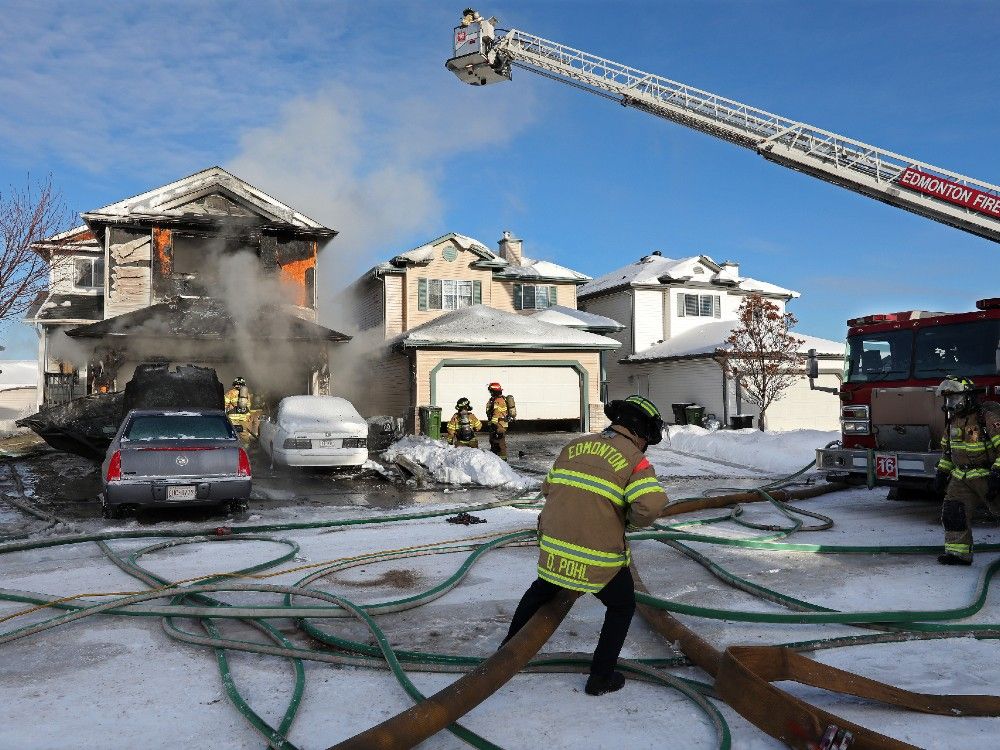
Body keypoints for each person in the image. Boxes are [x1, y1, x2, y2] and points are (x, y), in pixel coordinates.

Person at [501, 395, 668, 695]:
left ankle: (506, 651)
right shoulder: (634, 459)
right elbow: (651, 507)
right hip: (597, 558)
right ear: (641, 433)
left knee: (542, 588)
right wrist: (625, 521)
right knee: (622, 605)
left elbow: (548, 487)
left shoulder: (574, 446)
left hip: (552, 548)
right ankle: (600, 677)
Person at [933, 377, 1000, 565]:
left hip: (989, 475)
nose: (950, 404)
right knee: (953, 511)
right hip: (961, 477)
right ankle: (958, 553)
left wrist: (997, 473)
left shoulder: (988, 418)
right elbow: (948, 453)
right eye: (948, 400)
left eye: (954, 399)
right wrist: (942, 473)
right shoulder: (953, 422)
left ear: (968, 397)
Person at [485, 382, 513, 460]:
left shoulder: (498, 400)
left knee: (500, 443)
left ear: (493, 391)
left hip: (498, 425)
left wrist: (493, 423)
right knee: (494, 441)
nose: (490, 392)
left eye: (490, 390)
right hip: (498, 424)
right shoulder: (498, 399)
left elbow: (496, 412)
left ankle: (503, 462)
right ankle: (496, 459)